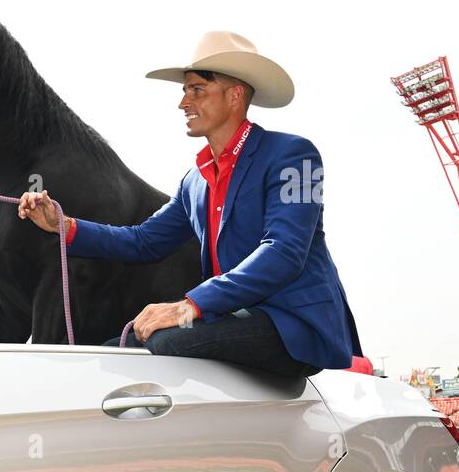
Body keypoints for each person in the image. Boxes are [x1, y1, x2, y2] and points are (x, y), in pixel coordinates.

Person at [18, 31, 362, 379]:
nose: (183, 102)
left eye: (196, 89)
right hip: (233, 318)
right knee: (116, 352)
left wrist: (190, 305)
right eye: (184, 91)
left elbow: (284, 252)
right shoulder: (193, 182)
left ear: (235, 95)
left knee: (163, 344)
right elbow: (143, 240)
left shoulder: (295, 156)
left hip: (294, 326)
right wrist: (64, 226)